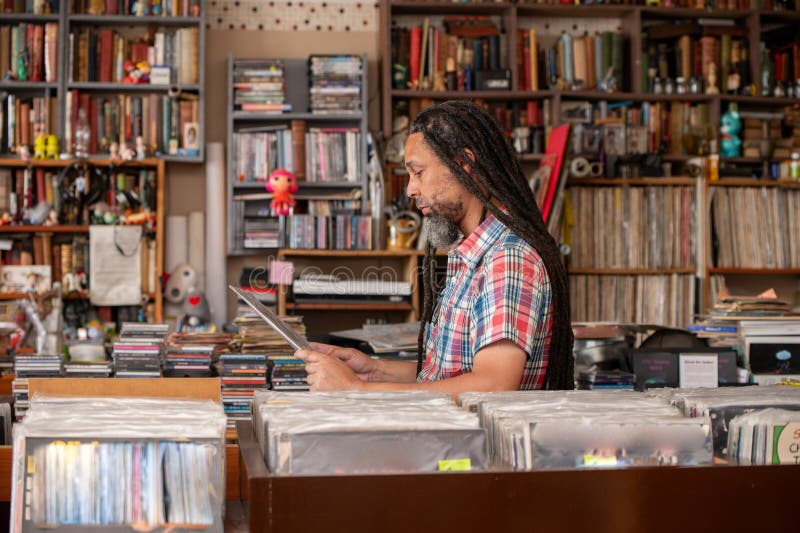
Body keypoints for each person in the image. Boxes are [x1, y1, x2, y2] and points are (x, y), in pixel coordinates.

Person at [295, 100, 573, 393]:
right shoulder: (472, 254)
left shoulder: (508, 259)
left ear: (464, 165)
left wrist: (356, 390)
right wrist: (373, 371)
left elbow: (492, 386)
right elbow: (448, 377)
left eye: (418, 173)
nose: (410, 189)